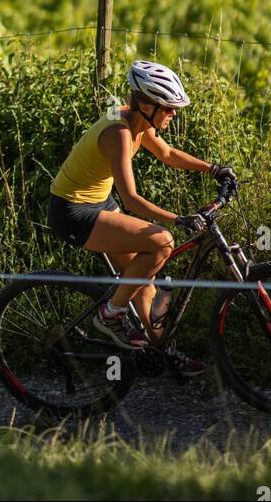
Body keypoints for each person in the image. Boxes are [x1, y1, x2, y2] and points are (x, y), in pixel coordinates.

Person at [47, 59, 237, 380]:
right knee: (162, 241)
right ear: (146, 103)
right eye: (167, 107)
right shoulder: (119, 133)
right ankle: (110, 316)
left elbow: (168, 155)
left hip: (98, 203)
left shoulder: (137, 121)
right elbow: (132, 199)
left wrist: (212, 169)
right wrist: (179, 220)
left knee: (145, 286)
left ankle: (164, 353)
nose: (172, 114)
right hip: (73, 212)